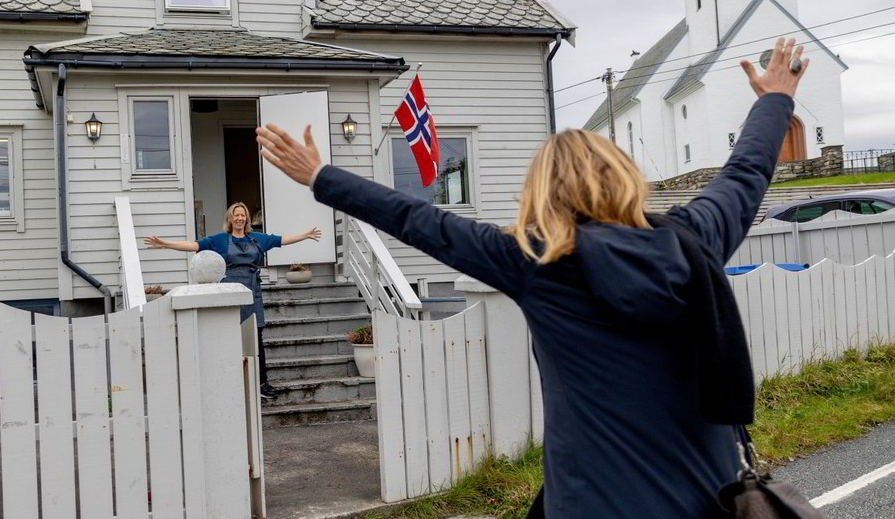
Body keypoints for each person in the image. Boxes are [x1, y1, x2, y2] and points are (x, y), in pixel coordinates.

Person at [256, 39, 810, 517]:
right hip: (709, 500)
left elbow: (422, 222)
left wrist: (321, 175)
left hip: (593, 503)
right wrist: (776, 100)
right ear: (625, 175)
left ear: (541, 194)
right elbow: (745, 174)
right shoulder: (697, 240)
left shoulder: (533, 263)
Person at [145, 202, 321, 400]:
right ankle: (231, 381)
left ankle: (261, 383)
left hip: (252, 292)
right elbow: (194, 246)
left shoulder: (257, 239)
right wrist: (165, 244)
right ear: (230, 219)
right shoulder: (220, 240)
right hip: (229, 292)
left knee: (256, 335)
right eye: (236, 215)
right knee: (230, 335)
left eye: (243, 215)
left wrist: (305, 235)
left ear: (246, 219)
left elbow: (282, 240)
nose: (239, 218)